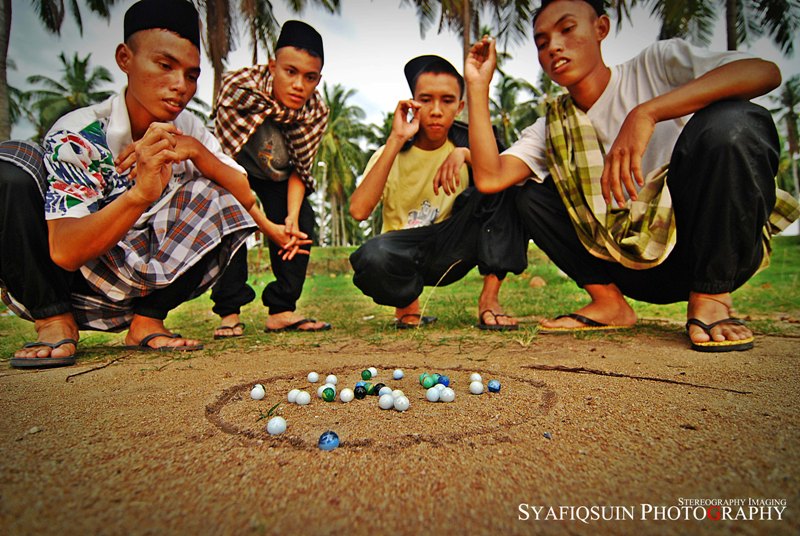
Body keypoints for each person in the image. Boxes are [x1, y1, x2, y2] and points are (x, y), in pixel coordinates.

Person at [465, 0, 799, 351]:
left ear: (601, 29)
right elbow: (490, 178)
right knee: (529, 195)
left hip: (710, 249)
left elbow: (763, 72)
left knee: (733, 122)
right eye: (542, 41)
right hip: (630, 266)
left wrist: (648, 113)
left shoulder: (655, 65)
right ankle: (608, 302)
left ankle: (712, 296)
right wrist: (477, 86)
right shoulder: (551, 126)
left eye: (567, 29)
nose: (554, 47)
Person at [0, 0, 307, 367]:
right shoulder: (81, 133)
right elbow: (65, 251)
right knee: (11, 164)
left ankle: (147, 320)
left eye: (191, 75)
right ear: (125, 58)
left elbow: (242, 191)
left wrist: (195, 151)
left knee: (223, 190)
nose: (180, 86)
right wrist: (140, 195)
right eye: (164, 66)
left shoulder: (189, 127)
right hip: (72, 280)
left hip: (142, 277)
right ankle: (52, 319)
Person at [349, 55, 527, 329]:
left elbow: (502, 182)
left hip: (451, 247)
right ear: (412, 103)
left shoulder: (469, 145)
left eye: (446, 100)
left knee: (508, 183)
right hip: (403, 251)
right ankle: (407, 307)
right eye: (426, 99)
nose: (435, 110)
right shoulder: (390, 152)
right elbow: (359, 211)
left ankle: (489, 301)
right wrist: (396, 139)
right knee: (372, 256)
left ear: (460, 107)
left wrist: (467, 155)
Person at [210, 20, 332, 336]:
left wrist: (289, 220)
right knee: (229, 218)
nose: (299, 85)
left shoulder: (315, 110)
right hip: (233, 172)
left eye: (310, 78)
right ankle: (229, 312)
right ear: (272, 66)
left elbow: (300, 170)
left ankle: (282, 310)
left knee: (301, 223)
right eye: (290, 72)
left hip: (279, 177)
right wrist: (266, 227)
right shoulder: (240, 89)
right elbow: (222, 163)